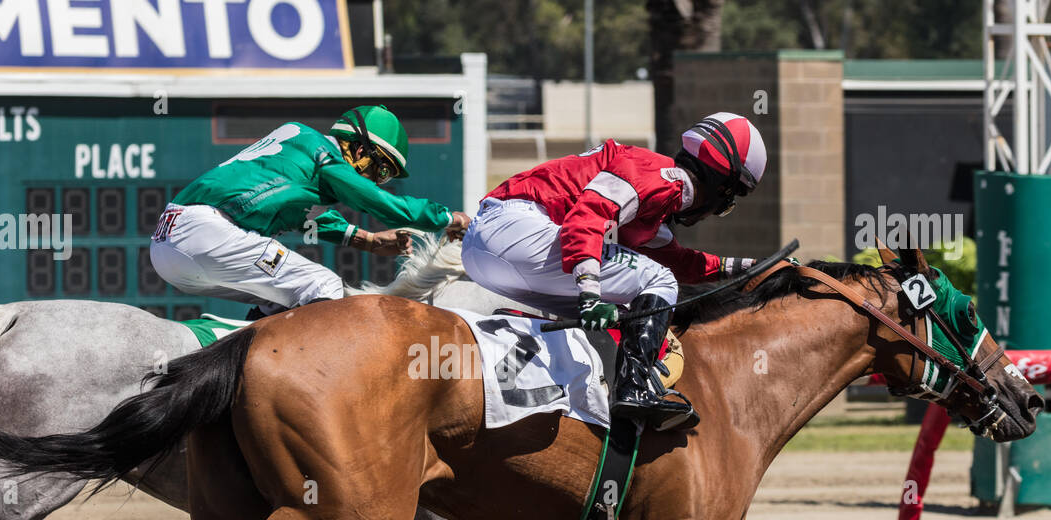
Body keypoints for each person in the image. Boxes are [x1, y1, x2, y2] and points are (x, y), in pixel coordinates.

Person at [460, 112, 766, 430]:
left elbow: (679, 260)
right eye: (726, 203)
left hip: (487, 248)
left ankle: (574, 403)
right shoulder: (660, 179)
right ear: (719, 185)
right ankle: (634, 390)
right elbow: (586, 219)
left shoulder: (658, 189)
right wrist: (589, 291)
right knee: (659, 281)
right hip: (513, 231)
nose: (714, 214)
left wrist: (748, 269)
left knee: (628, 307)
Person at [150, 105, 470, 317]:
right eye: (382, 170)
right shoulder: (325, 155)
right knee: (324, 286)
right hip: (205, 235)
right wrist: (448, 218)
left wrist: (367, 241)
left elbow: (302, 215)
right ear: (360, 149)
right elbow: (381, 203)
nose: (379, 181)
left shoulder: (300, 150)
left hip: (167, 245)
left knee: (278, 304)